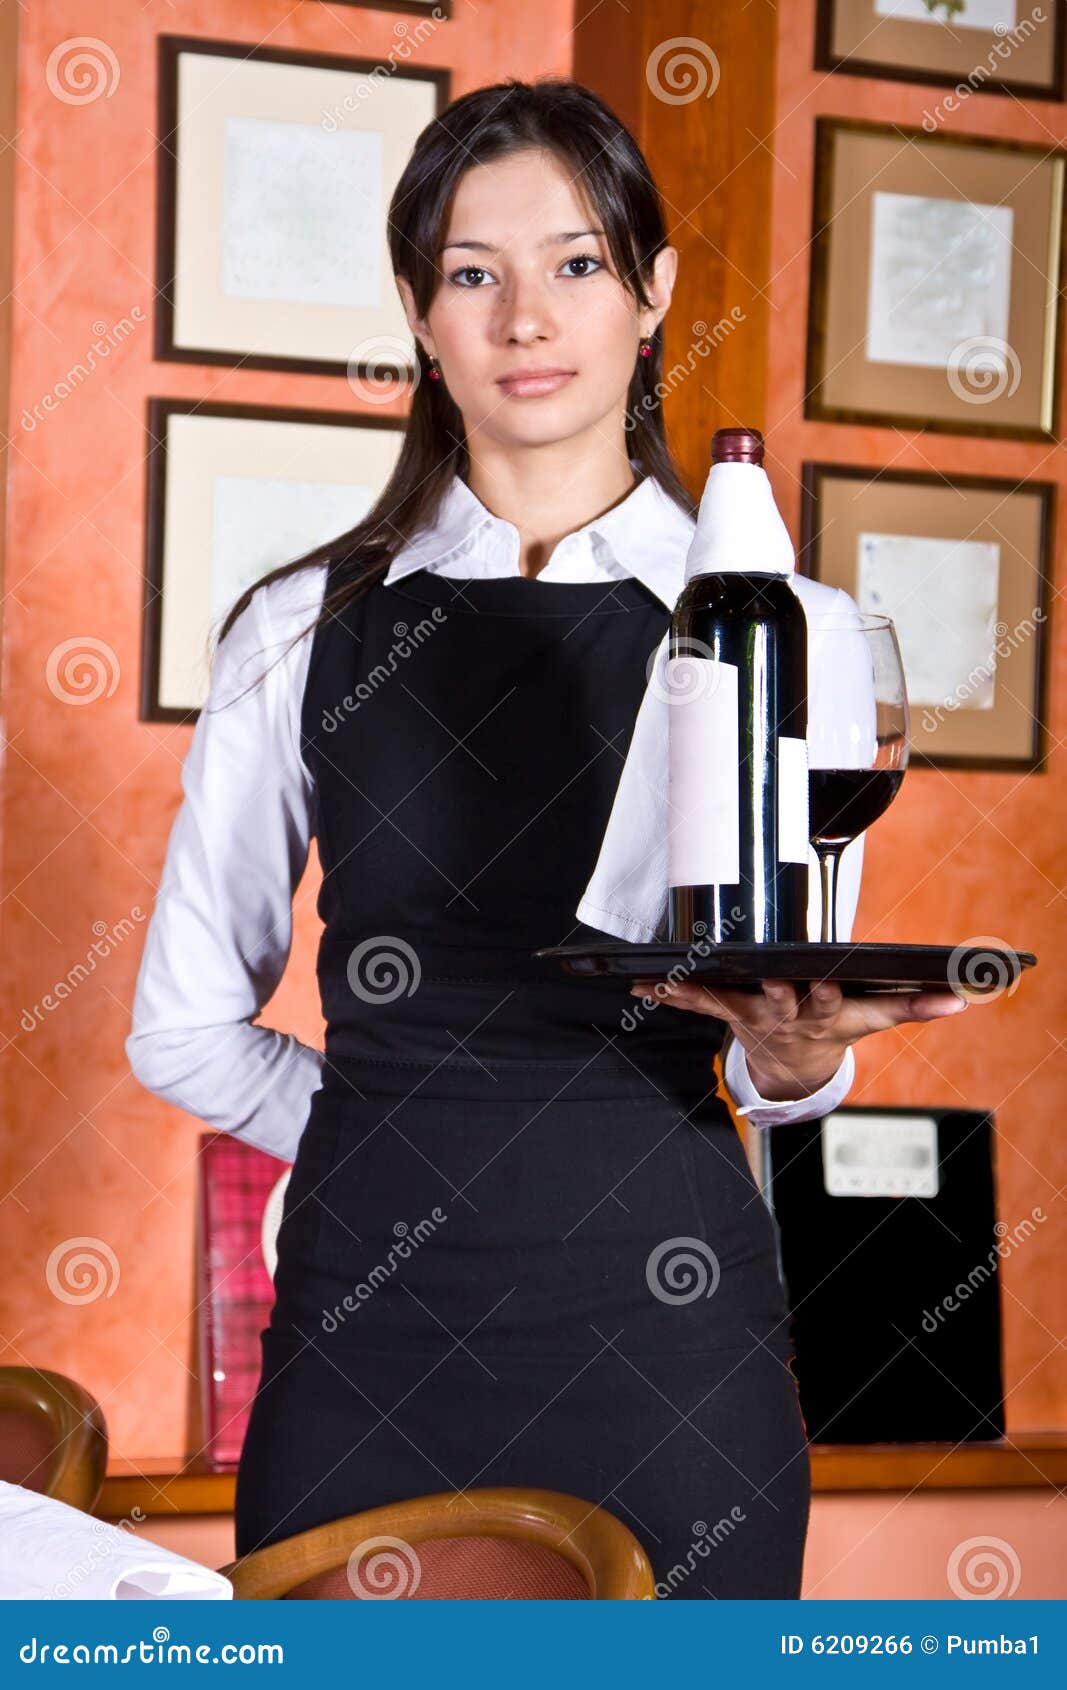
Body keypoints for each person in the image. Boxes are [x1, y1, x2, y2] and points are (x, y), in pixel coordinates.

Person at [126, 78, 968, 1598]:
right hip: (365, 1348)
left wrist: (798, 1066)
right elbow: (177, 1027)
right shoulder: (297, 628)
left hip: (671, 1340)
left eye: (579, 264)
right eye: (473, 273)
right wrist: (395, 1126)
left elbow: (796, 1018)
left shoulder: (796, 633)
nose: (527, 316)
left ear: (652, 294)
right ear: (419, 314)